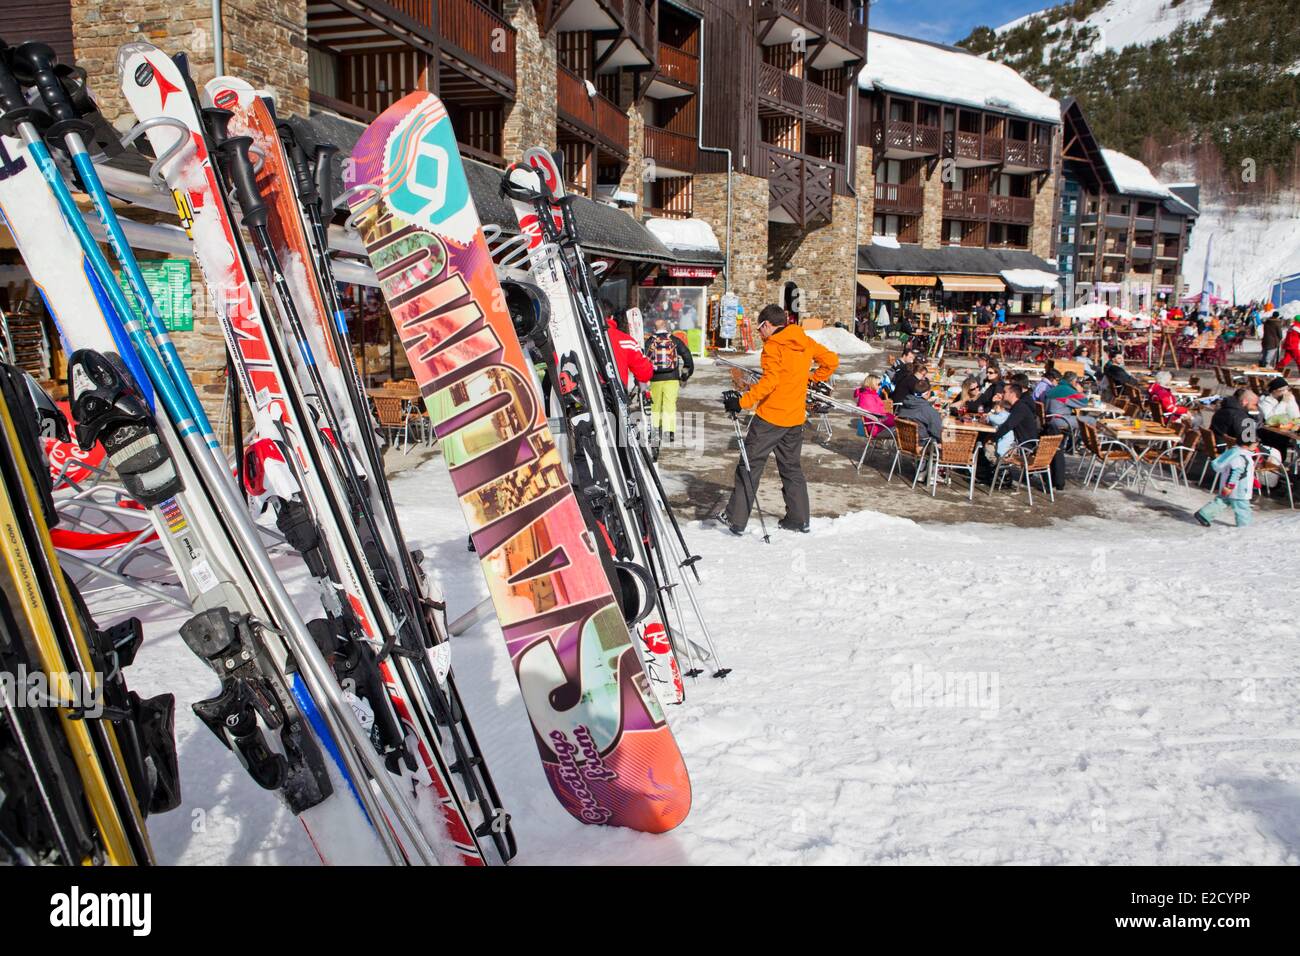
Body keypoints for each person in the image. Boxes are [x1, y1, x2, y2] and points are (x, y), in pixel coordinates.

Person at [721, 304, 838, 534]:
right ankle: (798, 519)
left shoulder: (774, 346)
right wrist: (813, 378)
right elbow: (832, 360)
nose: (759, 334)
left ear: (768, 325)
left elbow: (770, 382)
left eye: (760, 328)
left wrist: (742, 402)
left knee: (750, 465)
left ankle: (735, 519)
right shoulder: (804, 341)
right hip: (795, 418)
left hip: (770, 418)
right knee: (791, 468)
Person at [644, 319, 694, 447]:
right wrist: (685, 374)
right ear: (666, 327)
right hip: (672, 377)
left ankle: (655, 431)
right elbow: (687, 356)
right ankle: (669, 432)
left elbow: (643, 358)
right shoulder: (675, 340)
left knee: (655, 406)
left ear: (654, 329)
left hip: (655, 378)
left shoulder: (650, 341)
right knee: (669, 405)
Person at [1194, 431, 1258, 528]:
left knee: (1222, 501)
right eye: (1255, 444)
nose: (1256, 446)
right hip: (1239, 489)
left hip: (1231, 487)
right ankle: (1245, 526)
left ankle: (1204, 514)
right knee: (1242, 507)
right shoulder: (1241, 456)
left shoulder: (1233, 452)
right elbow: (1236, 472)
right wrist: (1230, 486)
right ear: (1246, 445)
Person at [605, 310, 653, 392]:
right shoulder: (625, 340)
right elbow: (644, 373)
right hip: (616, 395)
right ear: (612, 317)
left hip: (583, 395)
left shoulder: (582, 337)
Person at [894, 374, 944, 445]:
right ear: (927, 394)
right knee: (948, 437)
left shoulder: (905, 404)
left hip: (903, 441)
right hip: (921, 443)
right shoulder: (928, 410)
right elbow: (938, 433)